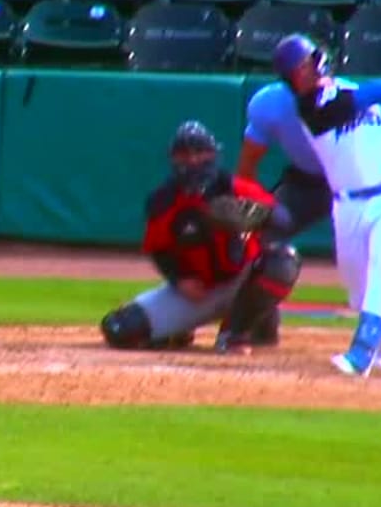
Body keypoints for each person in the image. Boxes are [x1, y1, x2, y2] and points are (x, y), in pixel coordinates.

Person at [238, 35, 381, 369]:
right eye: (302, 65)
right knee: (354, 287)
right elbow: (367, 94)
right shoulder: (309, 105)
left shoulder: (352, 94)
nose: (312, 69)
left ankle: (365, 349)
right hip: (330, 194)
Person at [99, 121, 304, 355]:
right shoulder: (162, 202)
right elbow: (158, 250)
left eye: (200, 152)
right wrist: (179, 279)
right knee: (120, 328)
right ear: (173, 159)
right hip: (200, 292)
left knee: (283, 261)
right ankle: (177, 331)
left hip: (242, 282)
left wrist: (258, 216)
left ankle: (238, 333)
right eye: (184, 154)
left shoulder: (234, 188)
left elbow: (285, 220)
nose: (193, 160)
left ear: (213, 154)